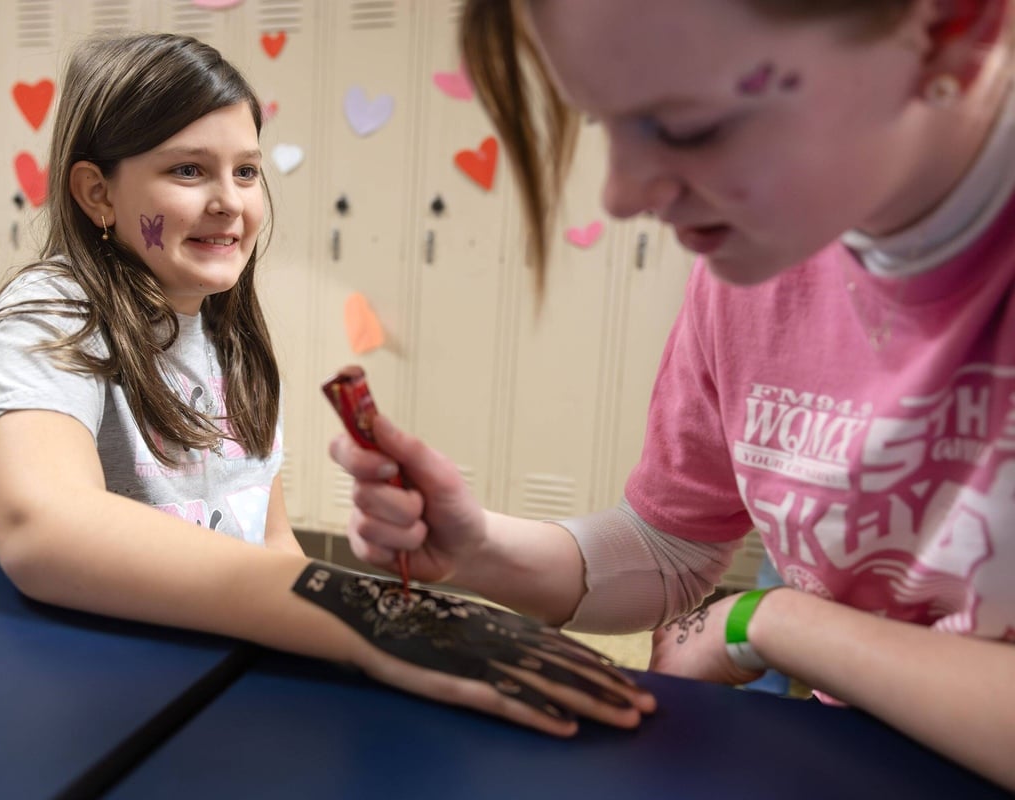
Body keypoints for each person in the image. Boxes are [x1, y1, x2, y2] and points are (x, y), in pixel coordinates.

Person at [329, 0, 1015, 790]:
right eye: (602, 122)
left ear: (950, 29)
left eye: (691, 127)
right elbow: (671, 547)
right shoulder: (762, 259)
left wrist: (766, 621)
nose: (621, 196)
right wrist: (478, 546)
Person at [0, 32, 651, 736]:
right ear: (97, 192)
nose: (230, 201)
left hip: (216, 679)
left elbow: (273, 541)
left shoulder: (228, 335)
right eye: (190, 170)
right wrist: (357, 614)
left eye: (248, 172)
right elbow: (42, 527)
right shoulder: (50, 311)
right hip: (90, 700)